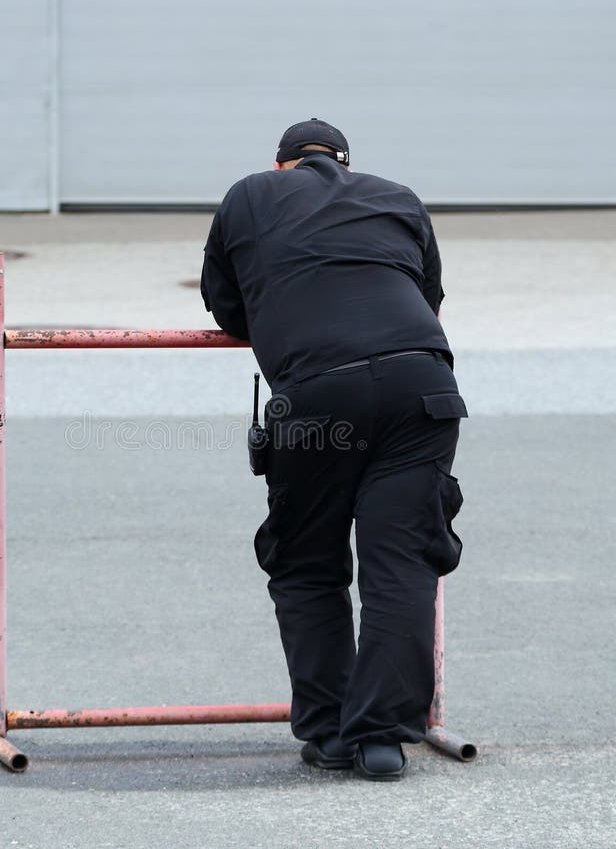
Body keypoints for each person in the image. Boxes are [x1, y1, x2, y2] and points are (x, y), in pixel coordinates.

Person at [200, 118, 467, 781]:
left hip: (320, 395)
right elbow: (427, 297)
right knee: (401, 561)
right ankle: (381, 739)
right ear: (348, 165)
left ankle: (328, 732)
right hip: (422, 386)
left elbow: (225, 304)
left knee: (307, 562)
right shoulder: (399, 197)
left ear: (281, 164)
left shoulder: (248, 195)